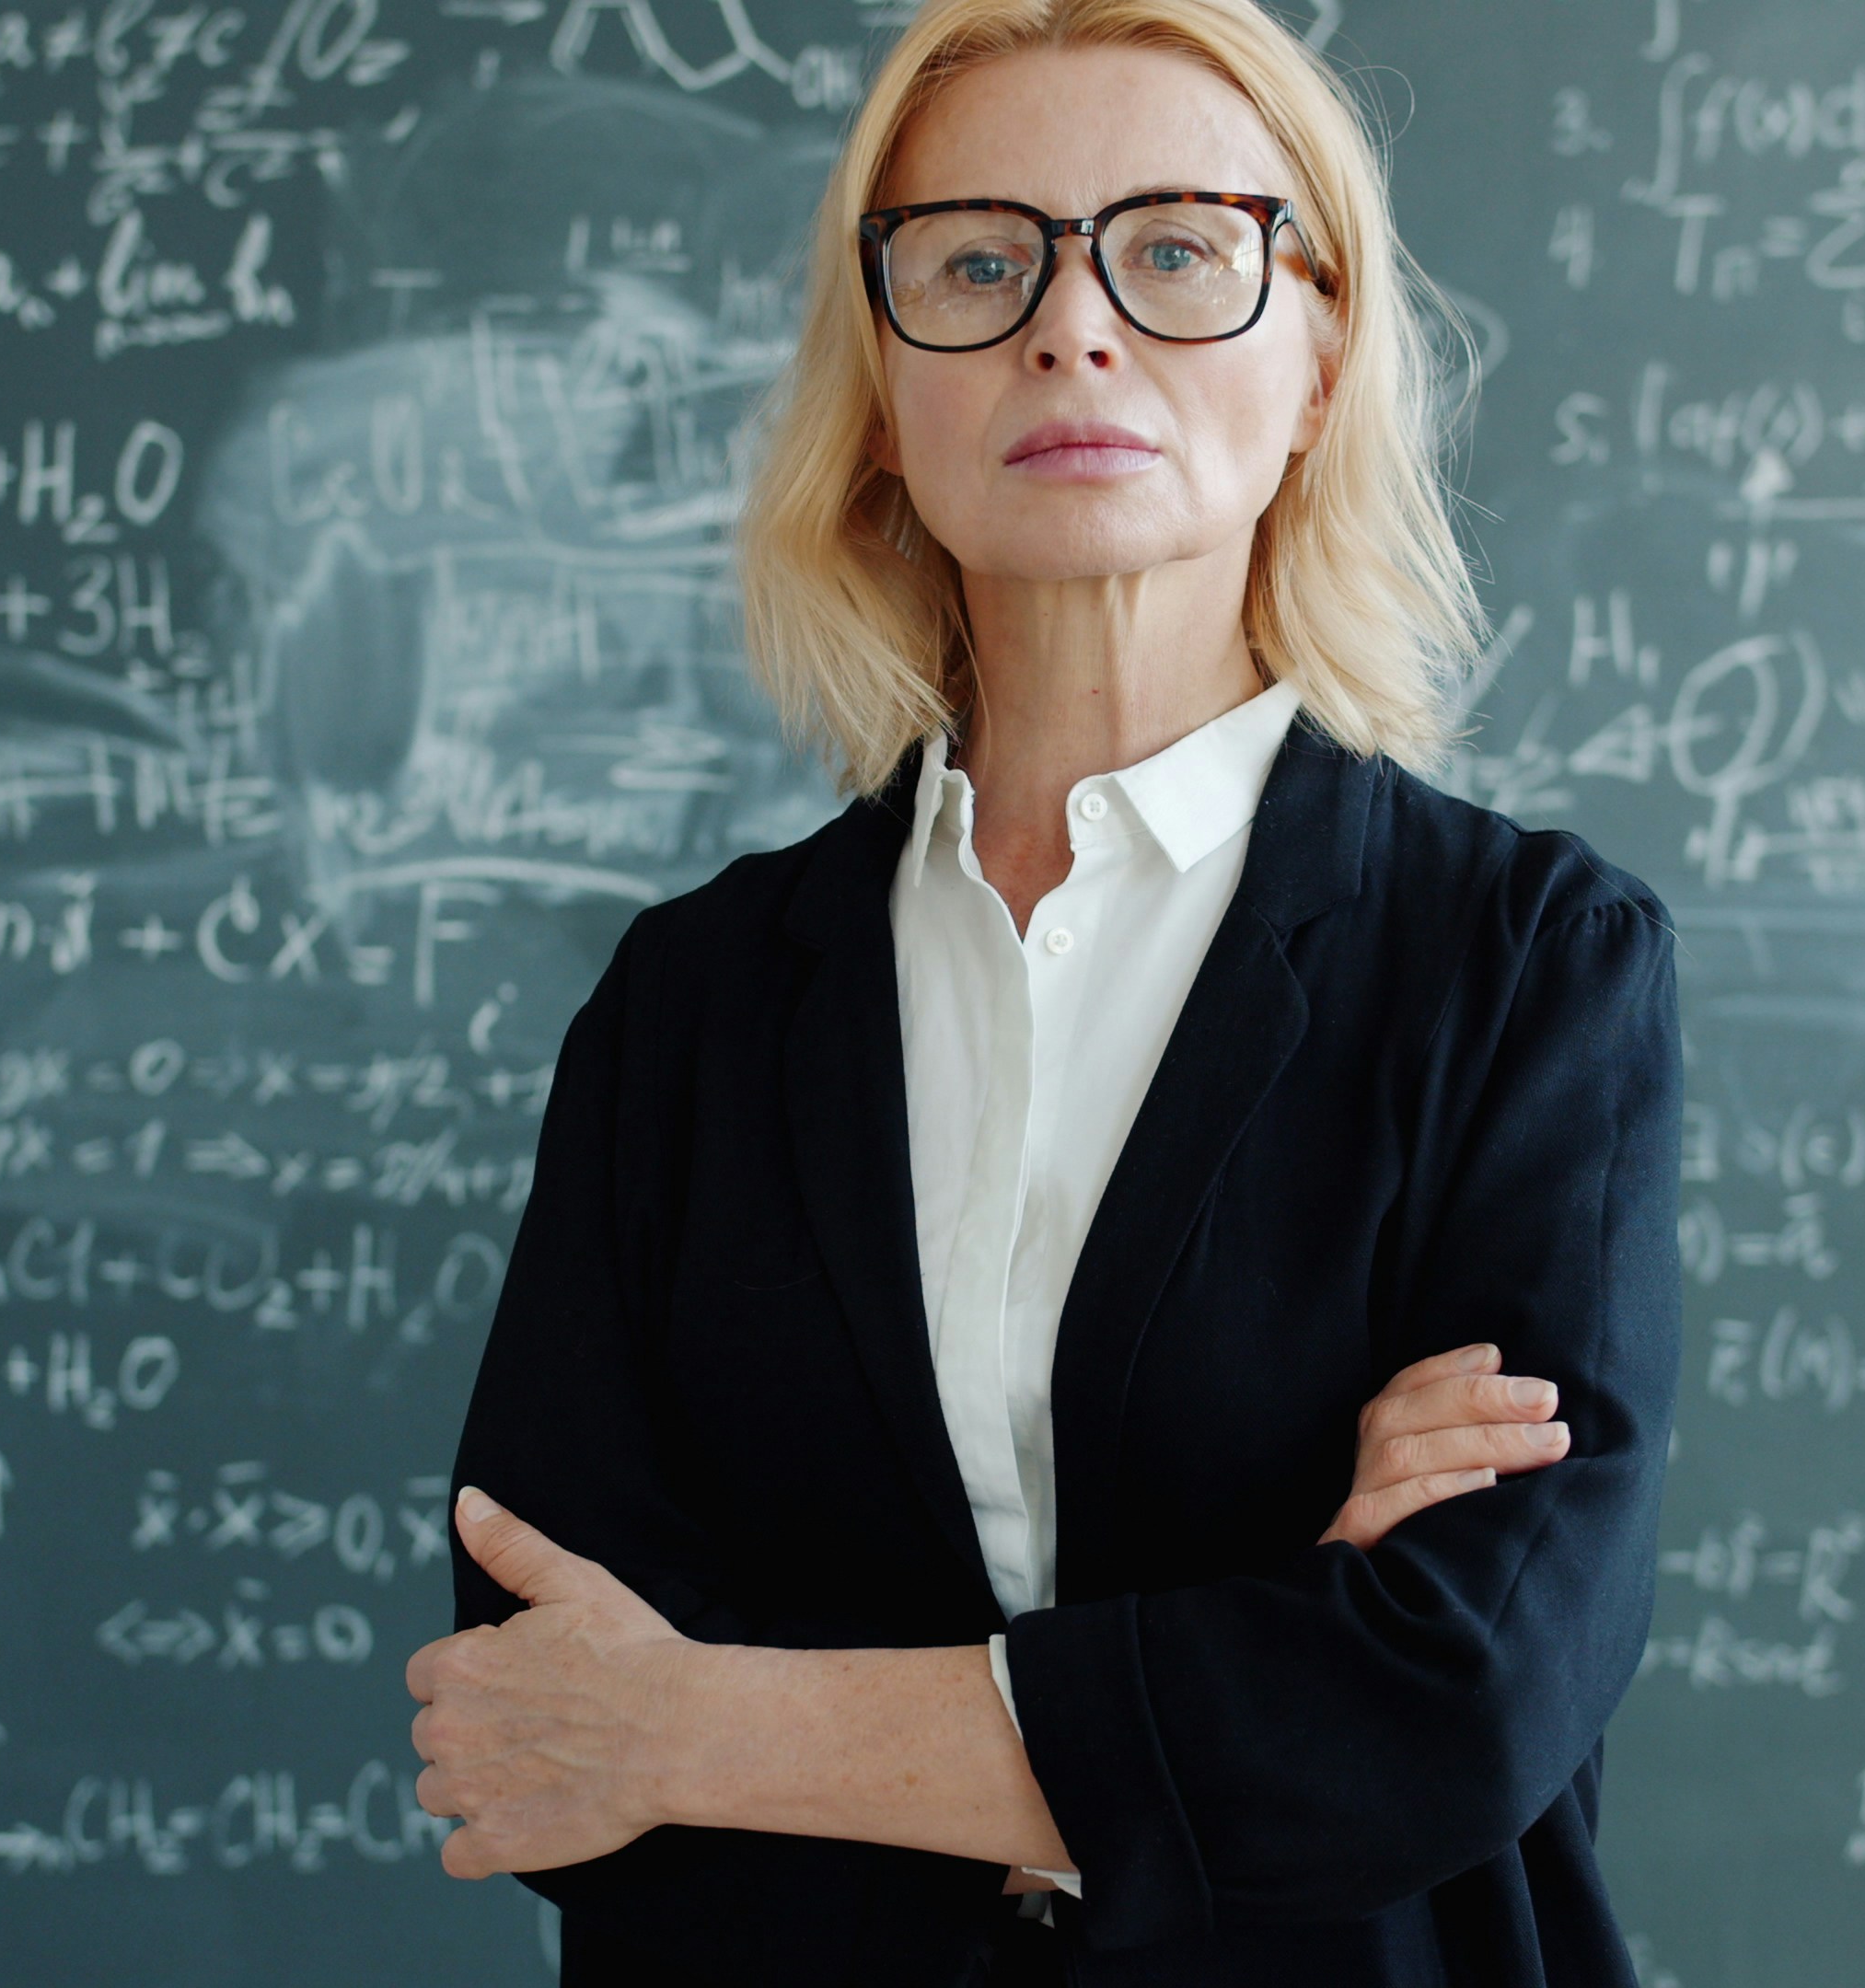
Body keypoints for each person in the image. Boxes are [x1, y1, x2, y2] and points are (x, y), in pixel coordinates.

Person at [408, 0, 1683, 1977]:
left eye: (1178, 251)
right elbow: (538, 1722)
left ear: (1322, 353)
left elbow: (1454, 1706)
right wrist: (1237, 1684)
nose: (1071, 327)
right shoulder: (693, 1012)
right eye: (981, 263)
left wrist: (714, 1727)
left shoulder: (1525, 967)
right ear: (884, 383)